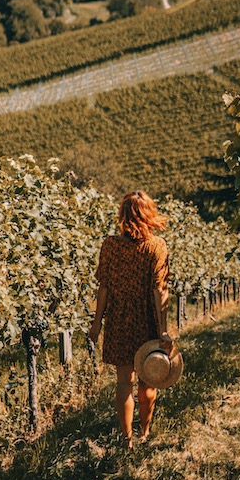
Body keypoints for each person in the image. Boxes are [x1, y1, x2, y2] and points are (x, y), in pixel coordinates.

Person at [88, 190, 173, 449]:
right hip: (147, 319)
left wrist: (97, 323)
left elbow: (104, 287)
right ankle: (144, 432)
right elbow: (159, 290)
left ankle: (126, 440)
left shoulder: (110, 245)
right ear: (149, 214)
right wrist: (164, 330)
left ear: (123, 215)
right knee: (148, 379)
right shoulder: (156, 246)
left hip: (119, 318)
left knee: (124, 381)